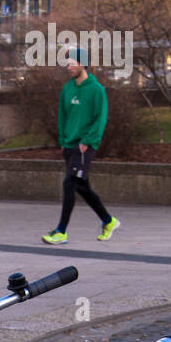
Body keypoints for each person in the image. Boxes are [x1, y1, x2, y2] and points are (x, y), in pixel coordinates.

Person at [42, 48, 120, 244]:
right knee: (82, 187)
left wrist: (88, 141)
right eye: (67, 63)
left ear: (83, 64)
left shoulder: (96, 90)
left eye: (73, 63)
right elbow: (63, 116)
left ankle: (61, 231)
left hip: (84, 146)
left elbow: (100, 119)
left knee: (70, 183)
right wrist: (63, 141)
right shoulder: (67, 89)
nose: (69, 67)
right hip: (69, 145)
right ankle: (108, 221)